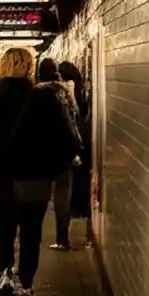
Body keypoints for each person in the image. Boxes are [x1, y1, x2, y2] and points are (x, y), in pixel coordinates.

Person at [0, 48, 81, 296]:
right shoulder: (44, 97)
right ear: (30, 67)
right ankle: (25, 283)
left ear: (3, 68)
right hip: (35, 178)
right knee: (31, 233)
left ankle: (4, 274)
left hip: (3, 178)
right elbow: (60, 137)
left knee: (5, 228)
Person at [36, 59, 82, 250]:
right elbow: (77, 116)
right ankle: (62, 238)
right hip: (66, 153)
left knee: (40, 196)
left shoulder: (38, 92)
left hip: (44, 153)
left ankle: (33, 236)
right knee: (63, 198)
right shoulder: (65, 92)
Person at [58, 61, 93, 245]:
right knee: (83, 189)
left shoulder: (62, 91)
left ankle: (63, 237)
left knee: (65, 194)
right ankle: (88, 237)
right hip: (84, 145)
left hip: (69, 147)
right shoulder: (82, 89)